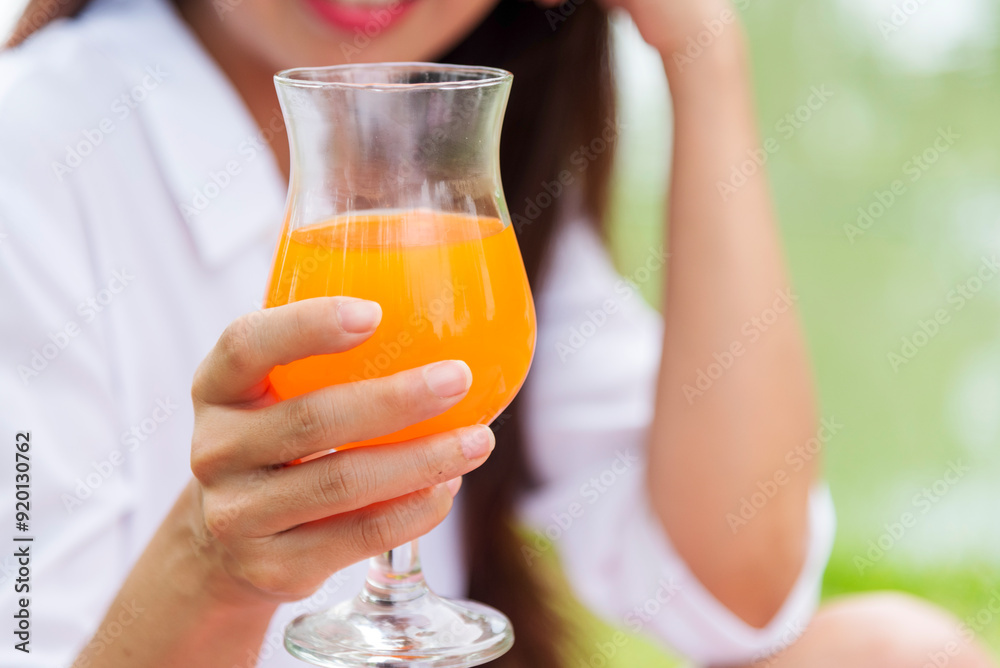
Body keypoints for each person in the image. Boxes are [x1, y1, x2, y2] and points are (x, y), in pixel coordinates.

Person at [0, 0, 994, 666]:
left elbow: (734, 583)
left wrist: (703, 54)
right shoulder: (35, 146)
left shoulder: (465, 178)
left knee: (895, 648)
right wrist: (211, 562)